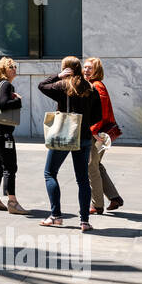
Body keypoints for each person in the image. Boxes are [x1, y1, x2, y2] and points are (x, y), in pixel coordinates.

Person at [38, 57, 102, 231]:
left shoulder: (62, 85)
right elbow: (98, 116)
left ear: (66, 69)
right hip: (85, 137)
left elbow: (42, 85)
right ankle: (84, 221)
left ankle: (56, 216)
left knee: (50, 173)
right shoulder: (90, 88)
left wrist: (57, 76)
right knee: (82, 179)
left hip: (64, 135)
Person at [0, 57, 28, 215]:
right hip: (3, 132)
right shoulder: (6, 84)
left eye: (15, 67)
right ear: (4, 70)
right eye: (12, 67)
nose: (15, 69)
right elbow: (3, 105)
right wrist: (17, 101)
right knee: (10, 166)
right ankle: (12, 202)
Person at [83, 57, 124, 214]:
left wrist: (93, 131)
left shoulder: (97, 86)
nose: (86, 70)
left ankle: (97, 204)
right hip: (98, 132)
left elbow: (102, 111)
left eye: (90, 68)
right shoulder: (92, 85)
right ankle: (114, 198)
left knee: (90, 166)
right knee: (96, 165)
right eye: (85, 67)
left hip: (98, 134)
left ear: (97, 71)